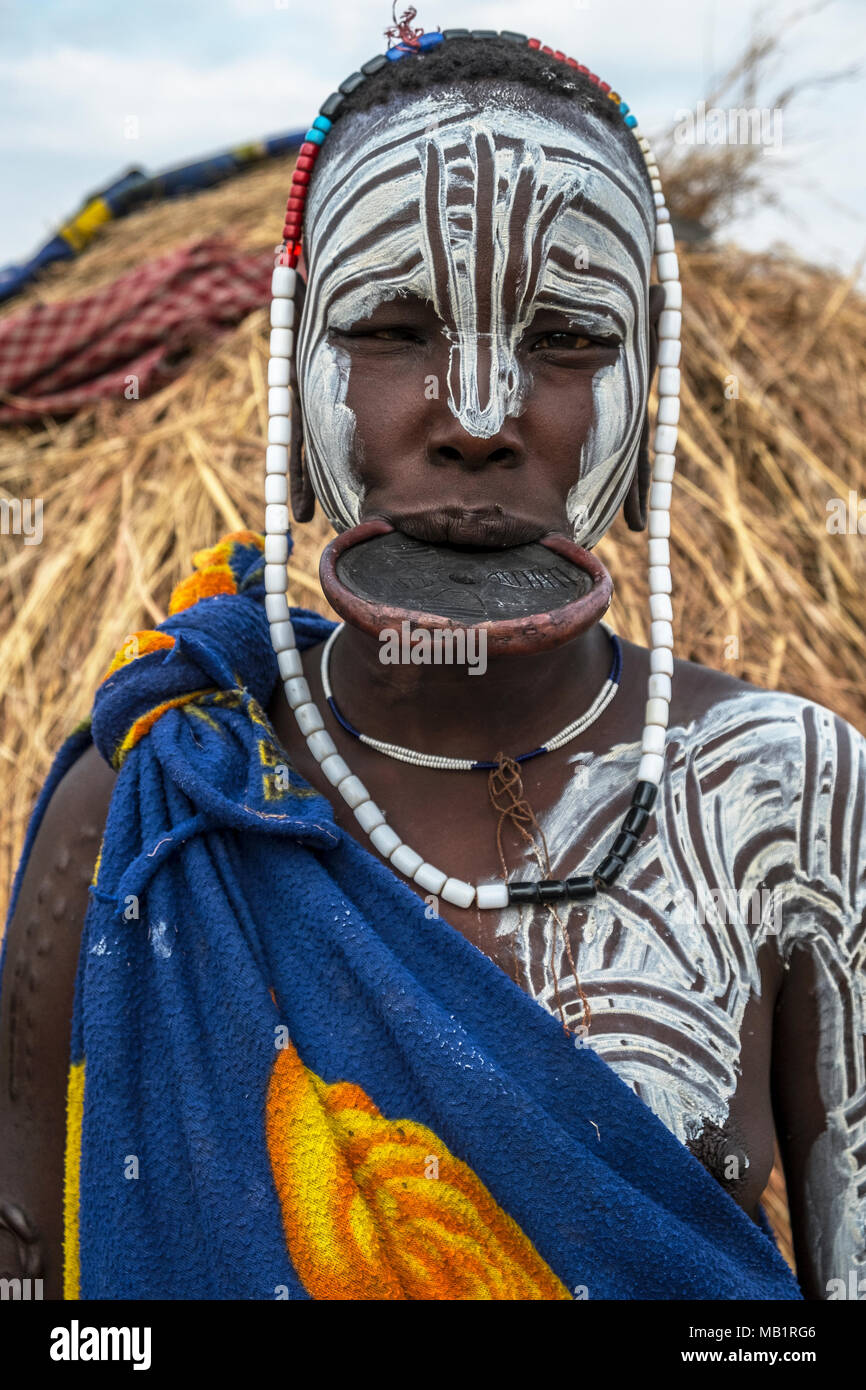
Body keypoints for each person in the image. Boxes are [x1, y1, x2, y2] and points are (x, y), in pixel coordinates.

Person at [1, 26, 862, 1302]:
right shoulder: (152, 802)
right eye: (395, 328)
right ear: (293, 398)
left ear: (650, 405)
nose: (473, 415)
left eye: (566, 337)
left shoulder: (784, 796)